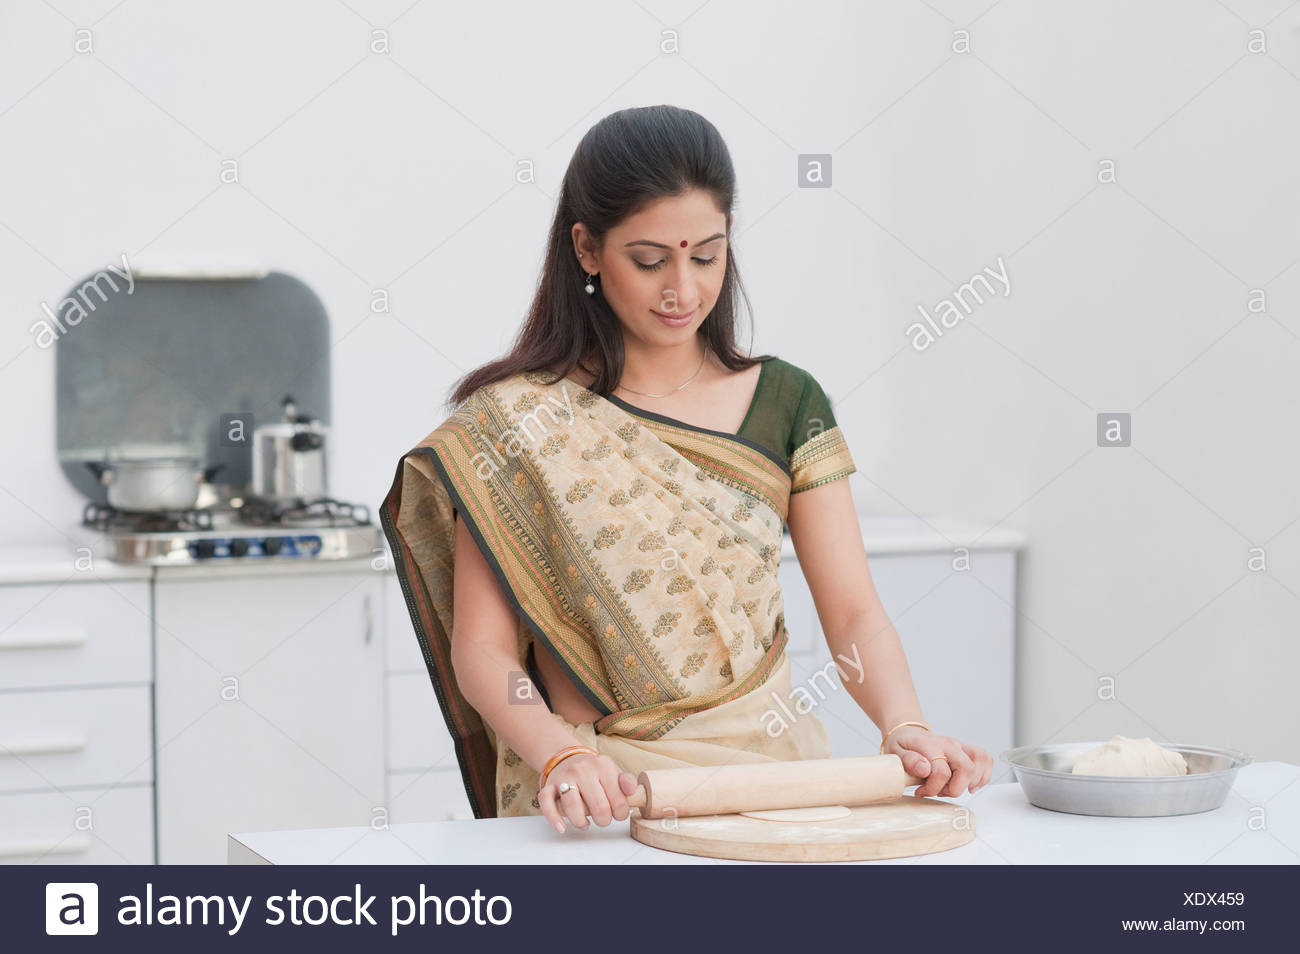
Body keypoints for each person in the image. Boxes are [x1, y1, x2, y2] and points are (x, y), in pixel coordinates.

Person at [380, 104, 993, 833]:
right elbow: (482, 651)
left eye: (706, 255)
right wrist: (560, 759)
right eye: (649, 260)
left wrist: (906, 727)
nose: (683, 289)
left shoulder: (788, 401)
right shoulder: (516, 424)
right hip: (606, 799)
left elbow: (854, 611)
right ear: (586, 248)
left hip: (775, 788)